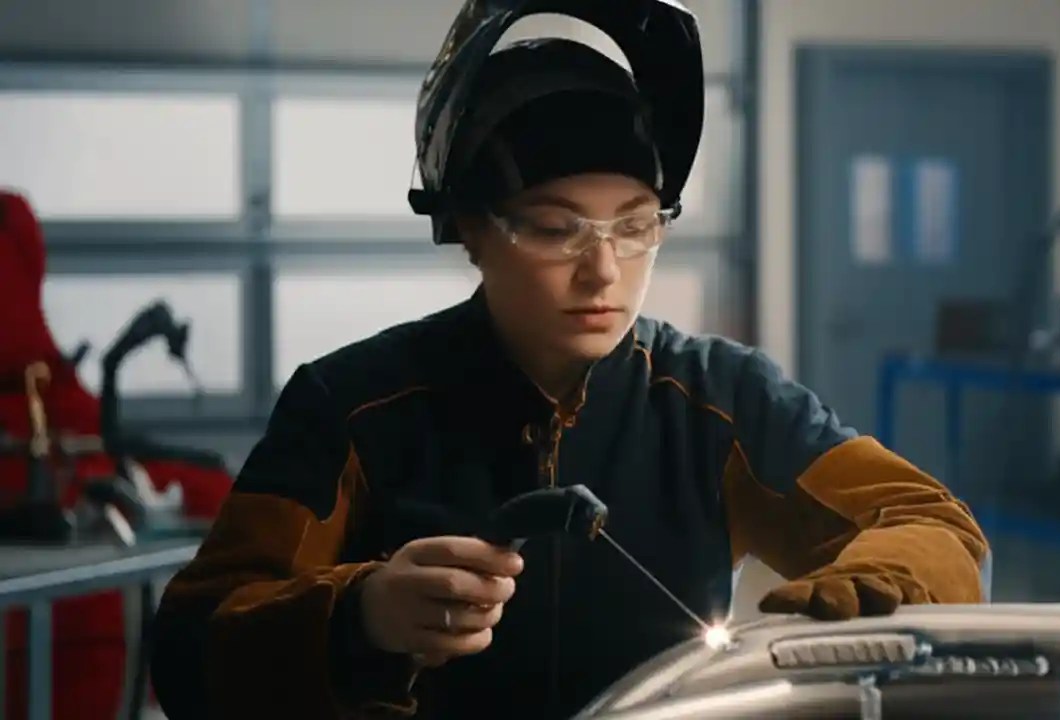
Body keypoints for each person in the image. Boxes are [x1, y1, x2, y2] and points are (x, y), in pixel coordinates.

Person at [150, 2, 989, 718]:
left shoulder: (717, 400)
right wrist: (357, 618)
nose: (604, 270)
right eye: (555, 228)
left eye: (635, 224)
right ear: (470, 228)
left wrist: (892, 578)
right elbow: (192, 648)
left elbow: (938, 527)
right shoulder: (353, 408)